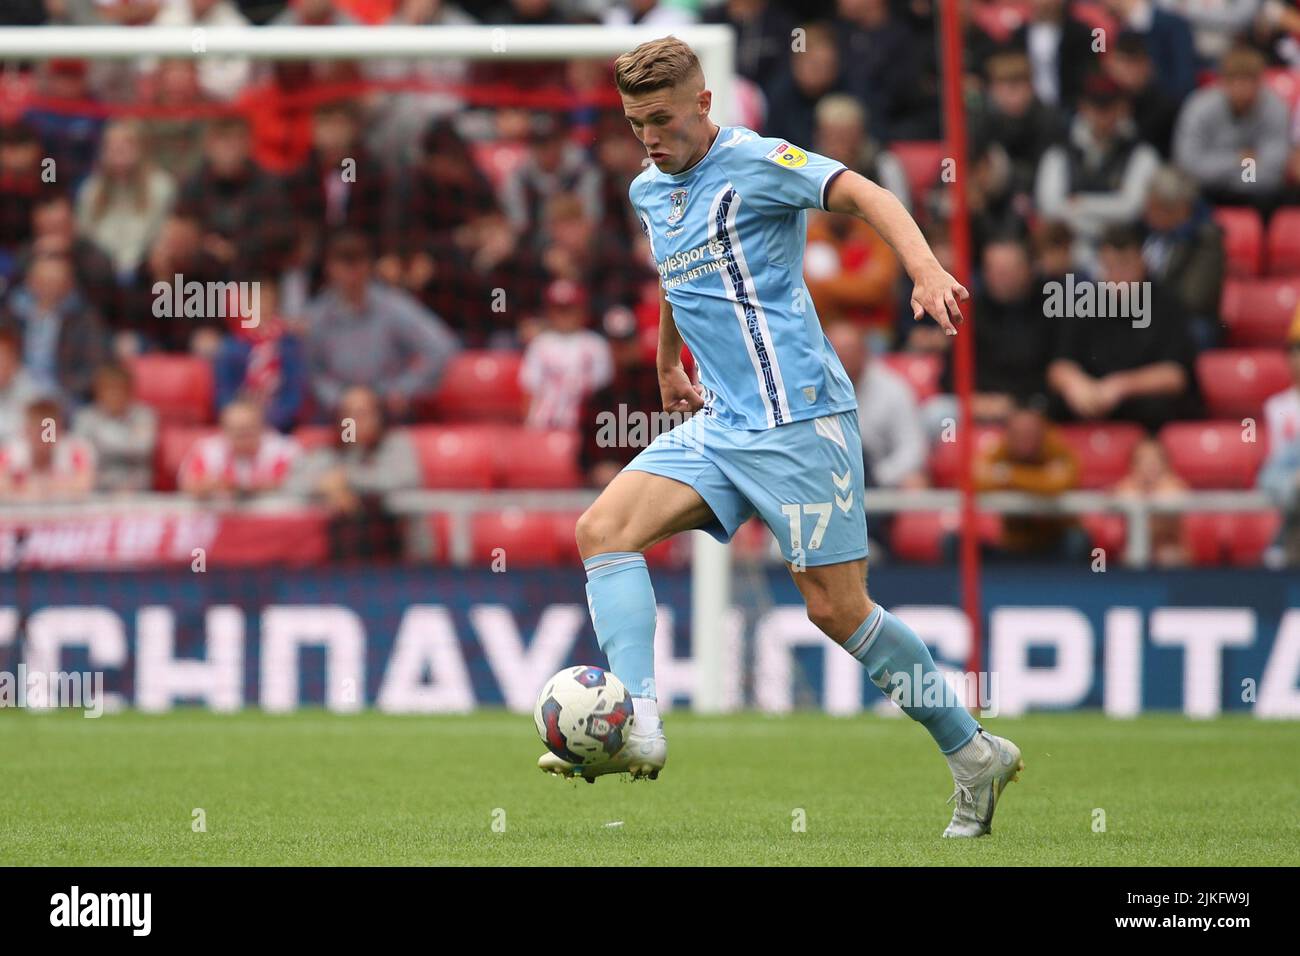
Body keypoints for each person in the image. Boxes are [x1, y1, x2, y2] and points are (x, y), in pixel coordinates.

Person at [537, 37, 1024, 841]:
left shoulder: (759, 161)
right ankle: (639, 722)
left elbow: (865, 192)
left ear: (703, 104)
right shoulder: (649, 190)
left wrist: (926, 269)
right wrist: (666, 357)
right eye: (634, 124)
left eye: (661, 118)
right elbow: (676, 270)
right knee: (602, 530)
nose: (650, 137)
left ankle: (971, 752)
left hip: (802, 421)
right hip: (723, 422)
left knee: (837, 610)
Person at [285, 385, 422, 561]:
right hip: (339, 559)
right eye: (347, 415)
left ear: (379, 417)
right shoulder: (330, 452)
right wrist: (323, 485)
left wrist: (346, 479)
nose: (353, 422)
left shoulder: (397, 444)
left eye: (362, 414)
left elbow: (403, 479)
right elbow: (293, 484)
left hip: (397, 554)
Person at [178, 398, 299, 499]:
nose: (242, 438)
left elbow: (297, 484)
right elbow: (188, 485)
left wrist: (245, 488)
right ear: (224, 431)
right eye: (236, 432)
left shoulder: (284, 450)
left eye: (247, 431)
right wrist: (209, 486)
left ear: (261, 428)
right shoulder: (207, 450)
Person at [72, 363, 158, 494]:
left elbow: (142, 448)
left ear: (129, 392)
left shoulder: (144, 415)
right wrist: (125, 439)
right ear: (98, 392)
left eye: (119, 389)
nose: (114, 395)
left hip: (136, 490)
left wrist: (100, 439)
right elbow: (81, 455)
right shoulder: (85, 418)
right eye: (109, 389)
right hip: (96, 490)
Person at [0, 396, 96, 502]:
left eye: (47, 433)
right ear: (26, 431)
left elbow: (84, 486)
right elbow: (2, 488)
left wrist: (30, 487)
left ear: (59, 431)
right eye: (36, 432)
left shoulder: (77, 450)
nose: (43, 439)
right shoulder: (10, 452)